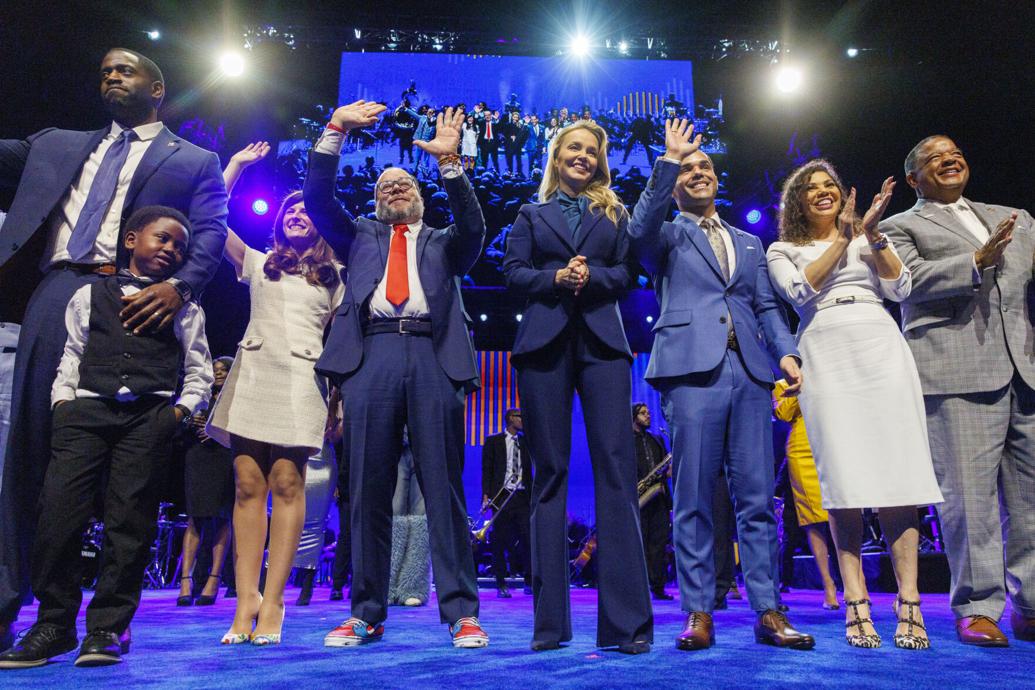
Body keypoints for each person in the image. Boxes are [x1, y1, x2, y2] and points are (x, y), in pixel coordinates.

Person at [0, 47, 227, 649]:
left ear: (157, 88)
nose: (110, 75)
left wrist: (178, 288)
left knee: (128, 484)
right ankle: (15, 611)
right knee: (29, 457)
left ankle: (106, 625)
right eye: (103, 69)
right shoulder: (55, 144)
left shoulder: (195, 159)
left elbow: (209, 232)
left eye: (124, 69)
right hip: (57, 290)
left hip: (138, 303)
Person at [304, 102, 489, 649]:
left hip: (433, 356)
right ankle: (365, 613)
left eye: (404, 182)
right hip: (372, 358)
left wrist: (451, 162)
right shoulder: (359, 236)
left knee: (443, 488)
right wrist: (335, 129)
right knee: (366, 489)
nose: (393, 188)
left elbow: (475, 228)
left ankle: (461, 613)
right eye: (385, 185)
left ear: (421, 194)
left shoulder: (442, 243)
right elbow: (317, 198)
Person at [627, 119, 812, 651]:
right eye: (687, 169)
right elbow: (637, 234)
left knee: (756, 498)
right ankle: (698, 610)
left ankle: (769, 610)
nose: (698, 172)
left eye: (704, 165)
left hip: (751, 374)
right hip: (691, 373)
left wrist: (788, 353)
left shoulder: (749, 242)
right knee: (692, 498)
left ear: (717, 176)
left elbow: (766, 309)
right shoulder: (665, 232)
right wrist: (668, 161)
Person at [0, 206, 212, 669]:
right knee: (58, 515)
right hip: (85, 412)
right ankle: (53, 626)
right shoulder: (87, 294)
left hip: (148, 416)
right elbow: (72, 354)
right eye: (163, 238)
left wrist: (176, 413)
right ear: (132, 240)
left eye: (180, 245)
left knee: (129, 525)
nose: (172, 249)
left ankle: (107, 628)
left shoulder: (187, 307)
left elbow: (199, 371)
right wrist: (64, 404)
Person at [767, 159, 944, 649]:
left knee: (897, 474)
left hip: (880, 344)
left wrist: (872, 235)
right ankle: (855, 599)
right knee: (843, 478)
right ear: (797, 202)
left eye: (830, 185)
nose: (823, 192)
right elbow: (802, 289)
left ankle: (909, 598)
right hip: (825, 348)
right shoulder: (783, 248)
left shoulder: (869, 237)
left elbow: (900, 288)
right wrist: (844, 239)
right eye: (811, 189)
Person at [503, 120, 653, 654]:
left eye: (592, 151)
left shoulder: (614, 212)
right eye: (574, 148)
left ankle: (627, 626)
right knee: (550, 475)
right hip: (543, 346)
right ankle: (550, 627)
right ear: (556, 155)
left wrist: (590, 278)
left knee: (617, 472)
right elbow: (512, 270)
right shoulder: (529, 213)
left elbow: (628, 273)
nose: (583, 156)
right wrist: (553, 280)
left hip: (603, 347)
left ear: (600, 161)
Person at [881, 135, 1035, 647]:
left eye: (955, 153)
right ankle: (977, 606)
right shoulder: (898, 226)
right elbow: (905, 280)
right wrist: (974, 259)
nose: (949, 159)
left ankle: (1030, 603)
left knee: (1030, 501)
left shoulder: (1015, 216)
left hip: (1024, 371)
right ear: (913, 179)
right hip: (955, 373)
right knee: (969, 501)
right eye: (933, 158)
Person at [206, 143, 345, 646]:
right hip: (255, 371)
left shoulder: (337, 277)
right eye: (290, 209)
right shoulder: (260, 262)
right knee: (247, 483)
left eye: (307, 209)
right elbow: (213, 220)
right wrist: (235, 168)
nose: (297, 215)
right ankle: (245, 602)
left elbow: (344, 342)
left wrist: (340, 400)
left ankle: (276, 600)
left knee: (287, 482)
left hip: (304, 379)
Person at [771, 379, 839, 611]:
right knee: (813, 520)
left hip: (832, 439)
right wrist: (796, 385)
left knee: (843, 512)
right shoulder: (781, 384)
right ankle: (828, 586)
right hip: (801, 447)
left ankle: (855, 581)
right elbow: (783, 413)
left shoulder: (826, 370)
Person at [178, 355, 235, 607]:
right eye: (215, 370)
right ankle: (186, 581)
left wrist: (214, 430)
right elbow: (181, 424)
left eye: (223, 370)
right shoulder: (202, 395)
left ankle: (214, 579)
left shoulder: (235, 397)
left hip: (223, 457)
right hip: (198, 458)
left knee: (222, 518)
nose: (219, 373)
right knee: (194, 517)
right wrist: (191, 422)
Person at [480, 408, 532, 598]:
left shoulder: (526, 442)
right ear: (511, 419)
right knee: (499, 541)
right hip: (501, 496)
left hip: (522, 495)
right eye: (520, 417)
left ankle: (529, 580)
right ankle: (501, 583)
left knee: (528, 539)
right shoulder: (493, 441)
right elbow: (487, 469)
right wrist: (486, 495)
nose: (523, 421)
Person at [631, 403, 673, 601]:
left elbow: (667, 469)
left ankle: (658, 586)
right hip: (637, 499)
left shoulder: (656, 439)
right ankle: (639, 587)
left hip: (658, 498)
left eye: (649, 412)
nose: (648, 416)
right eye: (643, 413)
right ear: (633, 416)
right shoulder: (626, 441)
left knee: (659, 543)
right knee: (639, 544)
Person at [388, 429, 431, 607]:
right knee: (394, 513)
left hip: (425, 445)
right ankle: (386, 586)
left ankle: (413, 587)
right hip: (393, 444)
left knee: (421, 517)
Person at [502, 111, 528, 176]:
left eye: (517, 117)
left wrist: (521, 143)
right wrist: (510, 136)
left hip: (518, 145)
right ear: (512, 117)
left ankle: (519, 172)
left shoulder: (521, 126)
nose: (515, 118)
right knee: (509, 159)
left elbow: (523, 135)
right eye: (514, 117)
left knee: (518, 159)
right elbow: (504, 134)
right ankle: (510, 171)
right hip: (509, 144)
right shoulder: (508, 124)